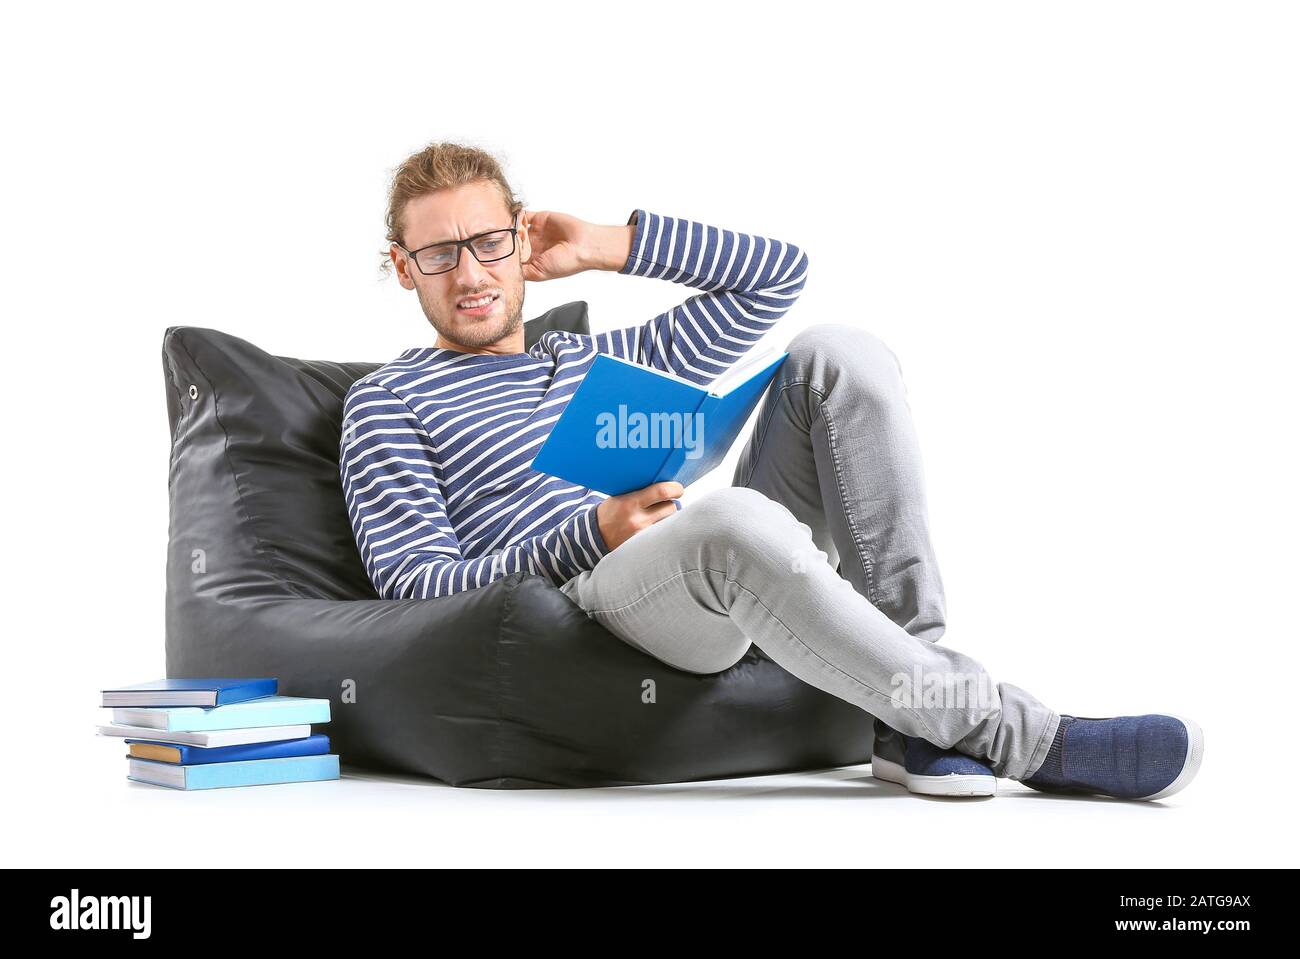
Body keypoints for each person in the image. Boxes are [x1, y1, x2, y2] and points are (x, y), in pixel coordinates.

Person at [339, 141, 1203, 801]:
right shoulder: (388, 402)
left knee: (838, 353)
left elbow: (774, 278)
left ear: (522, 238)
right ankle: (1021, 734)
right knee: (728, 523)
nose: (471, 274)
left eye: (488, 242)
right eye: (439, 254)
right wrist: (590, 532)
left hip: (702, 560)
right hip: (593, 602)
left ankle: (911, 713)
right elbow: (418, 592)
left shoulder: (595, 357)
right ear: (402, 266)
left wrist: (608, 244)